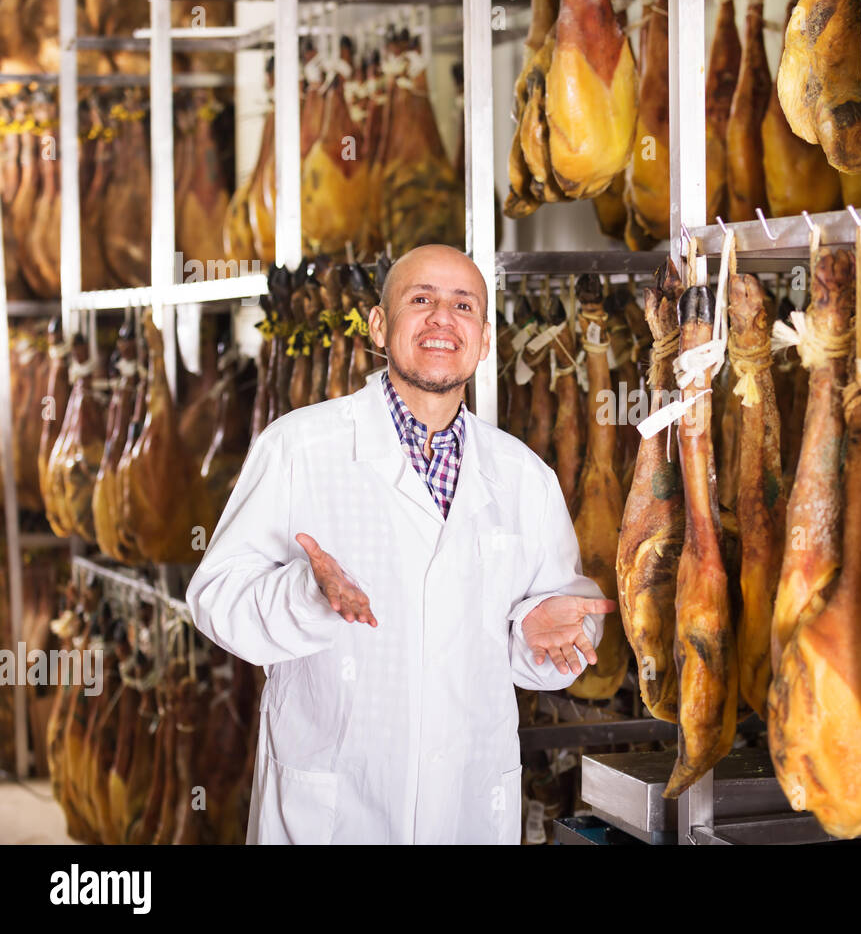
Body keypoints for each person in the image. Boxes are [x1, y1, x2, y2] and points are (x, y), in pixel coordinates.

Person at [186, 244, 613, 844]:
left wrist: (542, 634)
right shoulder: (298, 448)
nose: (443, 318)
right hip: (333, 810)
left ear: (484, 339)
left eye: (463, 305)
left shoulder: (524, 477)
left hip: (467, 805)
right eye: (422, 300)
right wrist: (306, 594)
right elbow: (216, 596)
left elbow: (560, 619)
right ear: (380, 326)